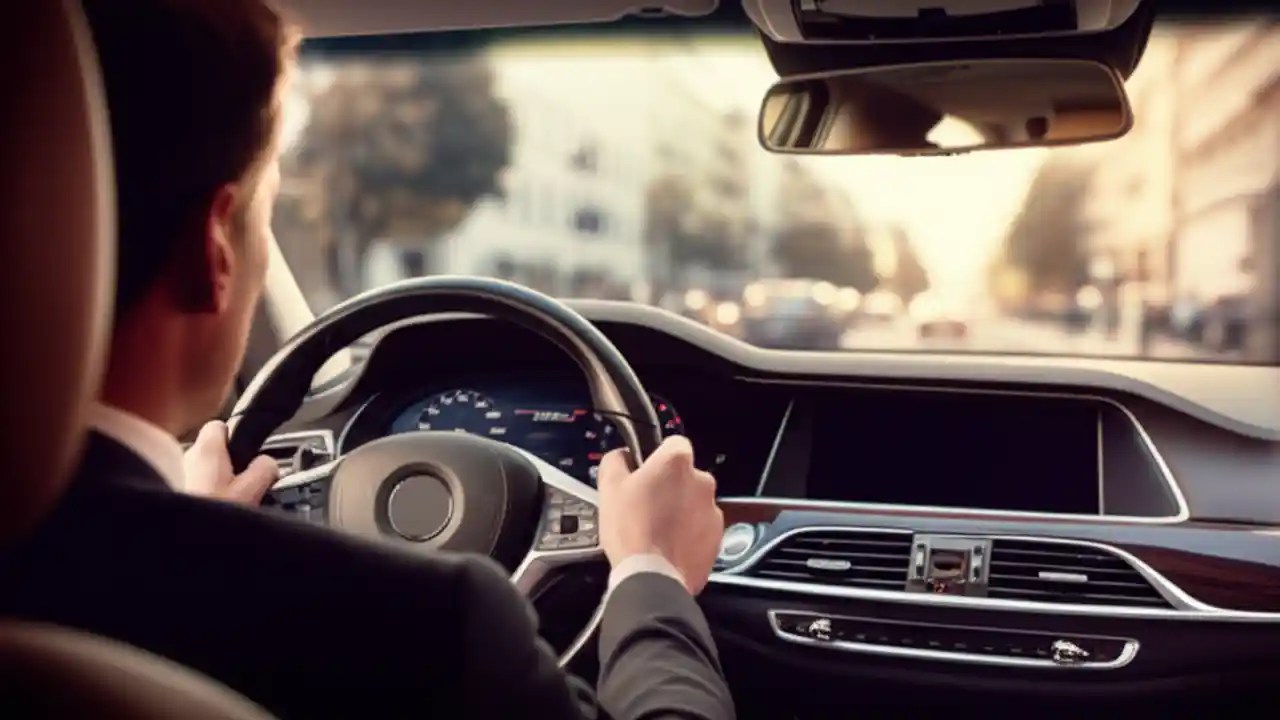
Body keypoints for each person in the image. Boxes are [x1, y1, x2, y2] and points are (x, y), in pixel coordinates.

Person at [0, 1, 734, 718]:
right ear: (214, 250)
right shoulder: (432, 632)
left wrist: (185, 527)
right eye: (266, 214)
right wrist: (651, 573)